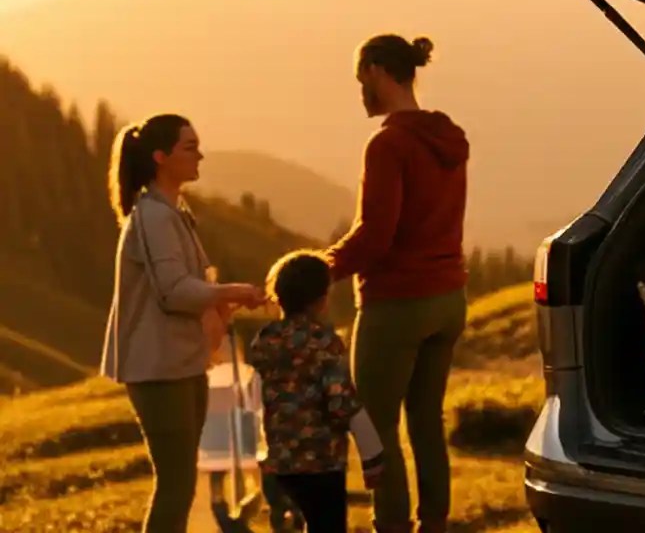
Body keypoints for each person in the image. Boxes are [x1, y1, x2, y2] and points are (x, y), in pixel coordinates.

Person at [325, 34, 470, 533]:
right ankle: (433, 523)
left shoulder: (388, 144)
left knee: (374, 423)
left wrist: (324, 267)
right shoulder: (448, 137)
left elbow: (376, 235)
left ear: (376, 71)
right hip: (448, 297)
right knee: (426, 420)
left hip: (398, 303)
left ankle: (390, 525)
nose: (359, 90)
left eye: (360, 79)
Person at [99, 113, 267, 533]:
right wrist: (231, 292)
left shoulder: (172, 211)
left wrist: (221, 302)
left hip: (181, 362)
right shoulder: (154, 216)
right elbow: (174, 291)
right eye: (189, 147)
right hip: (157, 367)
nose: (200, 155)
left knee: (180, 482)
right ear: (160, 157)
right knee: (175, 485)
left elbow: (187, 287)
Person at [248, 250, 386, 533]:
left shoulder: (265, 341)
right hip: (321, 463)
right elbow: (341, 403)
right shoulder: (325, 343)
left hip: (279, 462)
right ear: (322, 301)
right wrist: (372, 456)